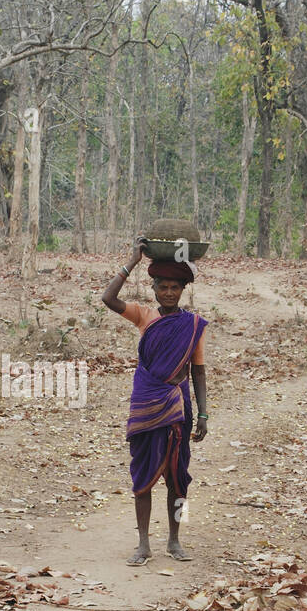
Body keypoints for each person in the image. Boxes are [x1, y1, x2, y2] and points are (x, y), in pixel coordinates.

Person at [102, 236, 208, 565]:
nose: (169, 293)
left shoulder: (192, 325)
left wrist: (204, 413)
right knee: (143, 475)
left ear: (182, 291)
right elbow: (108, 298)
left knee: (178, 479)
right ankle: (143, 543)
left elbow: (198, 372)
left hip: (179, 408)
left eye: (175, 287)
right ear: (154, 289)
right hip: (147, 404)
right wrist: (133, 260)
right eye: (163, 287)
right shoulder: (144, 316)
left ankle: (175, 541)